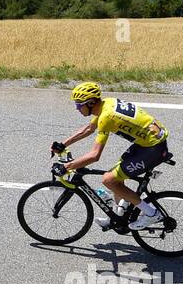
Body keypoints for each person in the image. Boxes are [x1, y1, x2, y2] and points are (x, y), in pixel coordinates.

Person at [53, 81, 169, 231]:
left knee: (109, 180)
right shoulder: (107, 103)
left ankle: (151, 213)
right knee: (115, 177)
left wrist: (66, 167)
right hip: (147, 143)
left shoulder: (107, 117)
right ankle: (118, 215)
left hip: (153, 149)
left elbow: (95, 156)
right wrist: (63, 144)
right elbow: (89, 128)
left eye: (79, 104)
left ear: (90, 103)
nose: (77, 108)